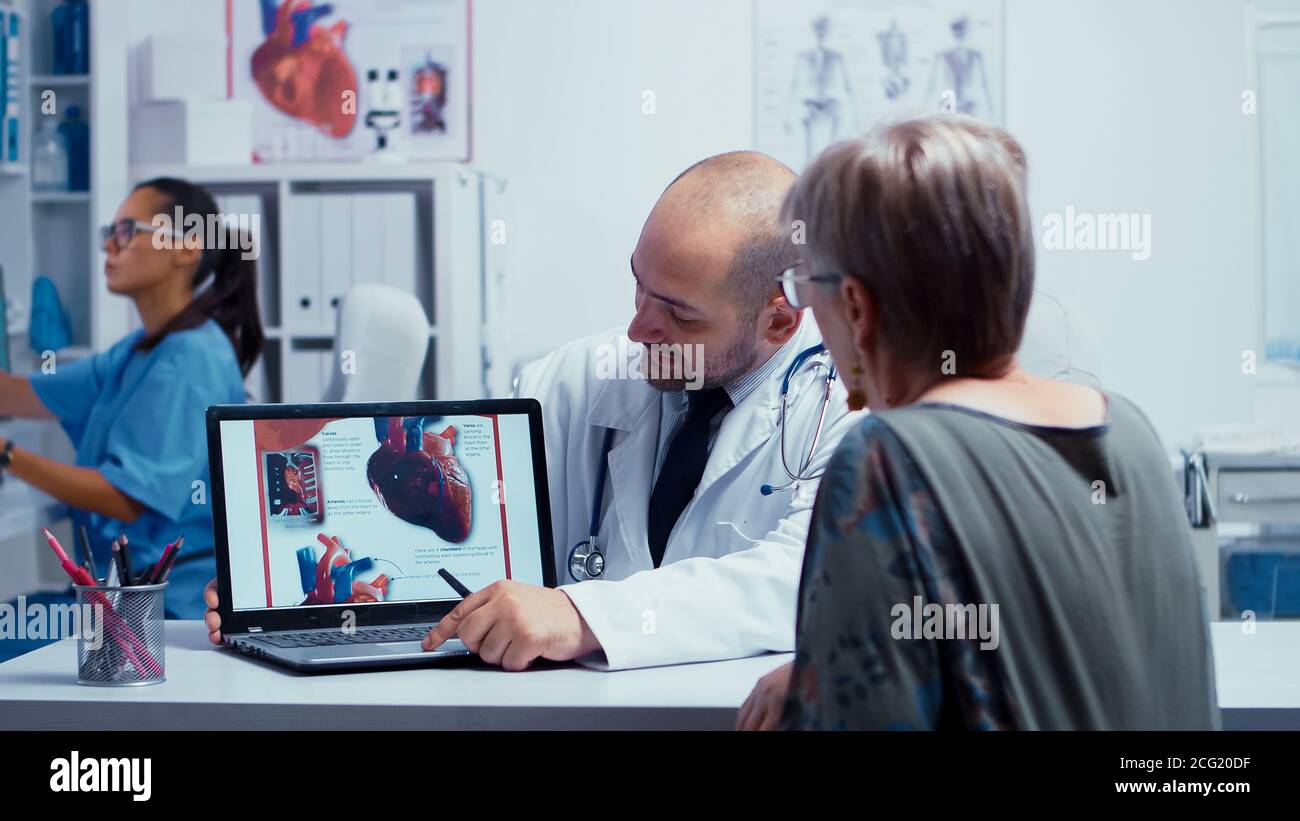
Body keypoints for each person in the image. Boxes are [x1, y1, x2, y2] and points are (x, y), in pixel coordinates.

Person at [202, 150, 858, 670]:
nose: (636, 331)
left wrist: (581, 615)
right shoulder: (576, 377)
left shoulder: (847, 405)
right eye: (639, 286)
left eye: (678, 313)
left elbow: (798, 579)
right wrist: (287, 602)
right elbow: (469, 539)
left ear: (779, 319)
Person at [741, 115, 1218, 730]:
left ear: (856, 306)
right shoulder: (1131, 433)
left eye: (807, 288)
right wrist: (824, 668)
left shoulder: (886, 458)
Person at [0, 177, 262, 619]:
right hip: (119, 593)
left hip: (163, 611)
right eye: (110, 234)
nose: (109, 248)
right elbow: (19, 395)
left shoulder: (191, 357)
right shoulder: (141, 348)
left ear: (186, 248)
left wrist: (8, 455)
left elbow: (125, 498)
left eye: (127, 232)